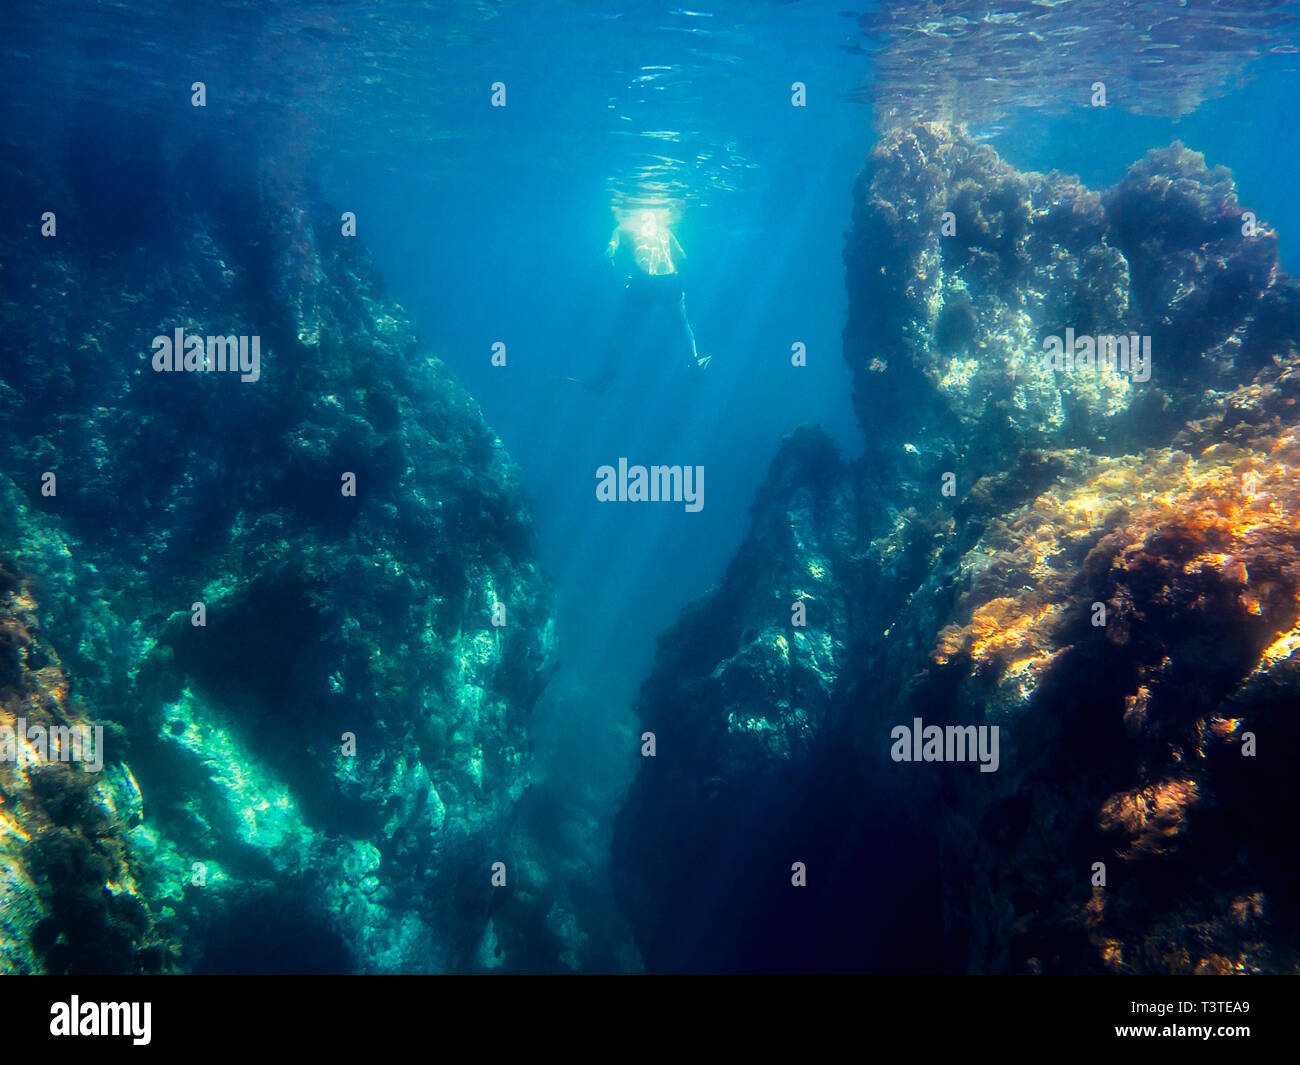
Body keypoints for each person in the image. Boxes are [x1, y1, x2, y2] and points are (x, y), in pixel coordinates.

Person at [601, 211, 710, 385]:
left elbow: (608, 255)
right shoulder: (665, 231)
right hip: (668, 280)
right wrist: (683, 281)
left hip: (642, 282)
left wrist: (617, 279)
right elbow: (683, 258)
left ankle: (608, 374)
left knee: (624, 329)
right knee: (682, 324)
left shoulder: (623, 227)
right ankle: (694, 363)